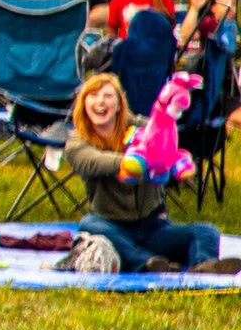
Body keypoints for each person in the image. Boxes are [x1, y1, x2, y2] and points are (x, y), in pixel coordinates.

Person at [63, 73, 236, 273]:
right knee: (89, 224)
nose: (100, 101)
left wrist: (177, 161)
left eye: (108, 96)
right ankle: (147, 263)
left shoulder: (144, 130)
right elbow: (92, 162)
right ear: (84, 104)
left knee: (206, 231)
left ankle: (204, 266)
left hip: (153, 227)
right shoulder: (76, 143)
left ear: (119, 104)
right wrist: (137, 161)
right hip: (112, 227)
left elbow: (165, 140)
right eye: (93, 95)